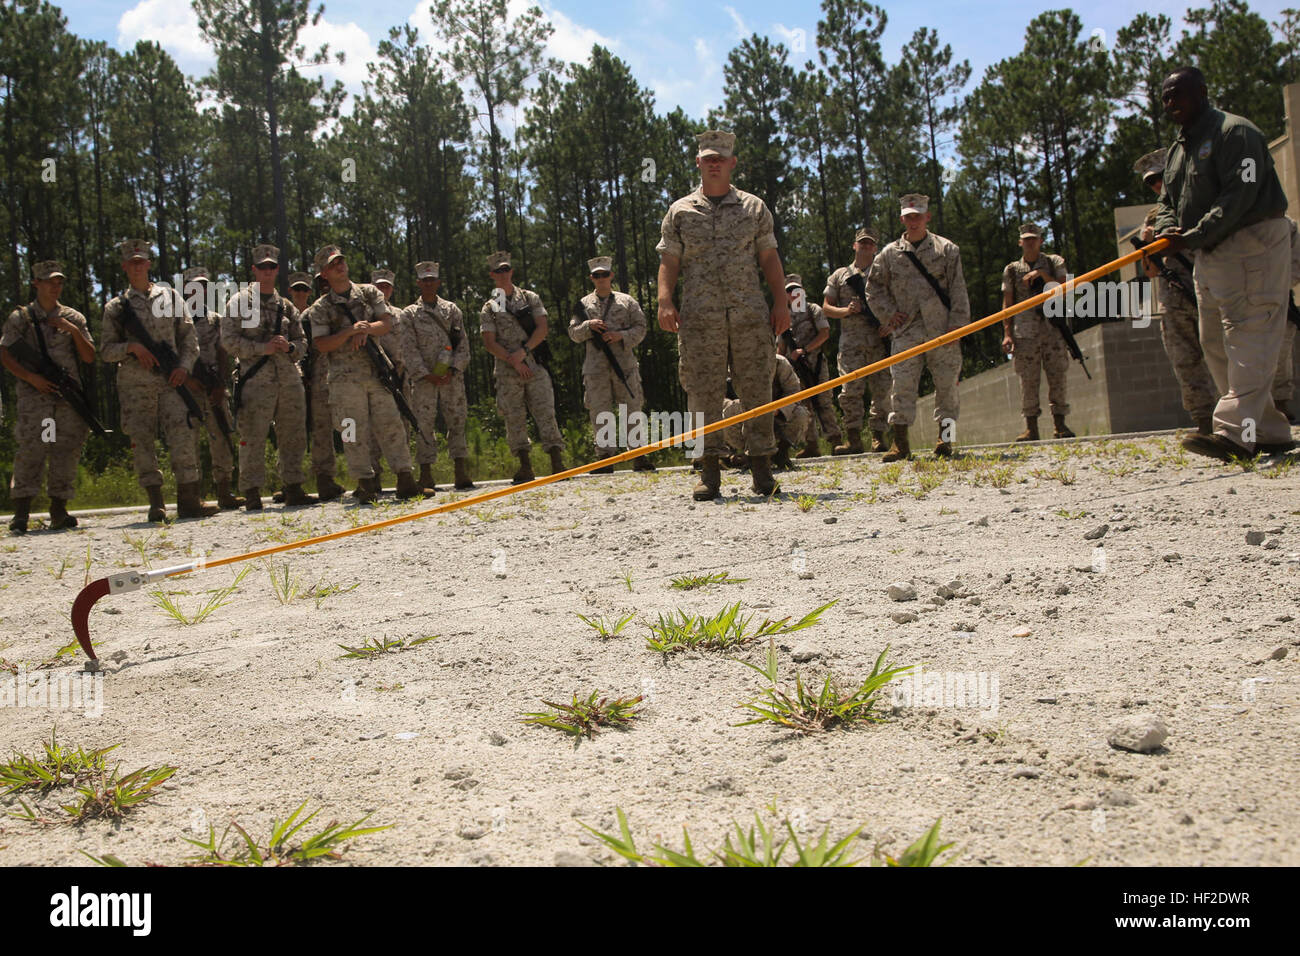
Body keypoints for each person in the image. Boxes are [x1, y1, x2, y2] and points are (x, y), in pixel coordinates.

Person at [1151, 66, 1292, 460]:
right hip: (1209, 254)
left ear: (1202, 92)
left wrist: (1191, 235)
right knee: (1214, 340)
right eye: (1165, 97)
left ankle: (1232, 433)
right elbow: (1168, 202)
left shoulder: (1236, 133)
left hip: (1251, 243)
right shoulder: (1180, 149)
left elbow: (1239, 196)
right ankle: (1264, 429)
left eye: (1178, 94)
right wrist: (1167, 231)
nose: (1170, 103)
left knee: (1249, 334)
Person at [656, 129, 791, 499]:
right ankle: (709, 471)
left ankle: (762, 467)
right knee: (702, 392)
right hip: (700, 317)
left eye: (721, 158)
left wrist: (781, 303)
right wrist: (664, 301)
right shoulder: (681, 211)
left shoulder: (753, 208)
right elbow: (669, 259)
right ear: (698, 163)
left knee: (757, 388)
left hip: (749, 313)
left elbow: (769, 258)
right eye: (708, 158)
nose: (714, 163)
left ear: (732, 163)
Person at [99, 239, 216, 521]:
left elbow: (189, 340)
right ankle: (156, 503)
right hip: (135, 385)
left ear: (149, 264)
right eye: (132, 262)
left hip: (173, 382)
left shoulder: (171, 298)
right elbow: (105, 351)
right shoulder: (116, 307)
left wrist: (184, 368)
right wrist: (131, 348)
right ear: (125, 266)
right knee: (142, 440)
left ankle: (189, 500)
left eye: (142, 261)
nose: (138, 266)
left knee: (183, 436)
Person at [302, 244, 423, 502]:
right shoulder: (320, 308)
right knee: (351, 430)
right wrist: (350, 332)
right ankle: (365, 483)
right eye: (333, 265)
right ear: (324, 273)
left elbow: (387, 323)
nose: (340, 266)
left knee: (391, 424)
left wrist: (366, 329)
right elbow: (321, 344)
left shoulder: (368, 293)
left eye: (341, 261)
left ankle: (405, 477)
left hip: (375, 372)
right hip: (343, 380)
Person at [866, 194, 971, 461]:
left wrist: (957, 327)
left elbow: (958, 291)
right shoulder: (890, 254)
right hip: (907, 331)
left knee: (947, 388)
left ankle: (945, 442)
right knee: (901, 387)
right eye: (908, 216)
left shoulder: (947, 250)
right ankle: (900, 444)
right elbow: (873, 289)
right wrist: (889, 315)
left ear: (927, 217)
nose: (913, 221)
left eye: (918, 216)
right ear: (902, 218)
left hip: (943, 329)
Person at [0, 261, 95, 532]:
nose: (55, 286)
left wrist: (73, 330)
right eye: (49, 281)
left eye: (59, 281)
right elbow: (5, 353)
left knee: (65, 450)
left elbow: (89, 356)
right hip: (36, 398)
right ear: (36, 284)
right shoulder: (21, 318)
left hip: (66, 398)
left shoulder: (74, 317)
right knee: (33, 449)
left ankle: (58, 509)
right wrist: (32, 378)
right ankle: (21, 513)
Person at [219, 244, 313, 510]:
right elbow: (228, 341)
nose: (267, 271)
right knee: (253, 436)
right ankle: (251, 491)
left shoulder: (286, 307)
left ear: (277, 270)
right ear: (254, 270)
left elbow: (302, 342)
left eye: (272, 267)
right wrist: (262, 348)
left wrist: (290, 347)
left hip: (288, 379)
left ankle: (293, 486)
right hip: (254, 380)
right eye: (262, 267)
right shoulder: (239, 303)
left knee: (293, 434)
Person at [1134, 150, 1218, 436]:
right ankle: (1204, 422)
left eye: (1160, 178)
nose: (1158, 185)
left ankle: (1240, 419)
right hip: (1174, 297)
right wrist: (1147, 246)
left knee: (1223, 355)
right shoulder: (1152, 218)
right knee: (1186, 361)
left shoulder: (1201, 201)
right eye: (1151, 182)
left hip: (1209, 288)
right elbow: (1150, 272)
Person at [479, 251, 566, 484]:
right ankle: (525, 467)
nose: (503, 274)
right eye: (498, 271)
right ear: (492, 275)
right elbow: (489, 342)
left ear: (512, 271)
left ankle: (557, 462)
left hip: (534, 365)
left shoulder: (529, 298)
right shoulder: (491, 306)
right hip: (508, 371)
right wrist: (513, 360)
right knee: (514, 417)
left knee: (546, 412)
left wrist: (523, 353)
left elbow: (542, 328)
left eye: (506, 269)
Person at [570, 255, 654, 474]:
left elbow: (642, 328)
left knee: (632, 409)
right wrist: (588, 325)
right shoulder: (583, 305)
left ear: (611, 275)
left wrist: (620, 336)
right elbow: (573, 333)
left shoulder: (627, 302)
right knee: (600, 411)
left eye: (604, 274)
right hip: (596, 368)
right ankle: (605, 458)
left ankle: (638, 455)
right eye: (597, 275)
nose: (601, 278)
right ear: (591, 278)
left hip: (624, 365)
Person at [400, 260, 475, 491]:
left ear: (439, 282)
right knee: (424, 424)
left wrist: (453, 369)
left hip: (451, 377)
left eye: (432, 279)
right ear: (418, 283)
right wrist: (425, 374)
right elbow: (408, 348)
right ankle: (426, 474)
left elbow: (463, 344)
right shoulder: (410, 314)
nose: (429, 283)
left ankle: (460, 470)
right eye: (425, 280)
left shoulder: (451, 310)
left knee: (457, 420)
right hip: (424, 381)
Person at [1001, 224, 1075, 441]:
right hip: (1025, 331)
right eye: (1026, 239)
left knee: (1057, 375)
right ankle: (1031, 427)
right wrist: (1007, 333)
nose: (1030, 242)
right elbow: (1007, 303)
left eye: (1034, 238)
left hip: (1053, 328)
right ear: (1020, 242)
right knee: (1028, 380)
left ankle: (1060, 424)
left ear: (1041, 241)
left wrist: (1042, 274)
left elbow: (1064, 288)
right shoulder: (1012, 269)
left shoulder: (1054, 262)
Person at [823, 227, 889, 454]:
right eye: (863, 243)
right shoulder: (840, 275)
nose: (866, 247)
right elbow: (826, 307)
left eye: (871, 244)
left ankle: (878, 437)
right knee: (850, 390)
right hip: (851, 343)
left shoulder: (882, 273)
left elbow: (894, 302)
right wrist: (846, 311)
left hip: (879, 340)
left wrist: (888, 324)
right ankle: (853, 439)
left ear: (876, 248)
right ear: (855, 245)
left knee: (881, 389)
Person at [182, 266, 241, 508]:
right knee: (188, 441)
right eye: (194, 286)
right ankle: (192, 494)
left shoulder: (216, 319)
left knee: (222, 437)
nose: (200, 291)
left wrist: (220, 385)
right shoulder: (177, 321)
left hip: (214, 388)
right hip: (186, 390)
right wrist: (187, 381)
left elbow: (223, 353)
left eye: (204, 286)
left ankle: (224, 491)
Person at [289, 270, 344, 500]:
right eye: (321, 282)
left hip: (346, 377)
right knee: (321, 431)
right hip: (321, 380)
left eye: (327, 281)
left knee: (350, 427)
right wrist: (307, 377)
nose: (325, 285)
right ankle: (324, 479)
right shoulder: (309, 316)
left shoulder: (347, 307)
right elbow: (305, 351)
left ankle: (363, 474)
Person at [780, 274, 838, 458]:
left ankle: (835, 440)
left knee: (824, 401)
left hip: (815, 363)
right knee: (804, 405)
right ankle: (811, 444)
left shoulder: (813, 309)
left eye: (797, 289)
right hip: (795, 368)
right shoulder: (784, 316)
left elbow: (824, 333)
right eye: (789, 290)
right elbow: (781, 347)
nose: (794, 293)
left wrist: (804, 350)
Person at [721, 352, 809, 470]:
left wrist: (779, 409)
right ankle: (749, 453)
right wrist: (741, 407)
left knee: (800, 414)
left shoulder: (779, 362)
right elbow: (720, 397)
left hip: (777, 416)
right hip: (745, 416)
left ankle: (781, 452)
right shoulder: (734, 364)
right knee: (728, 414)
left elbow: (794, 391)